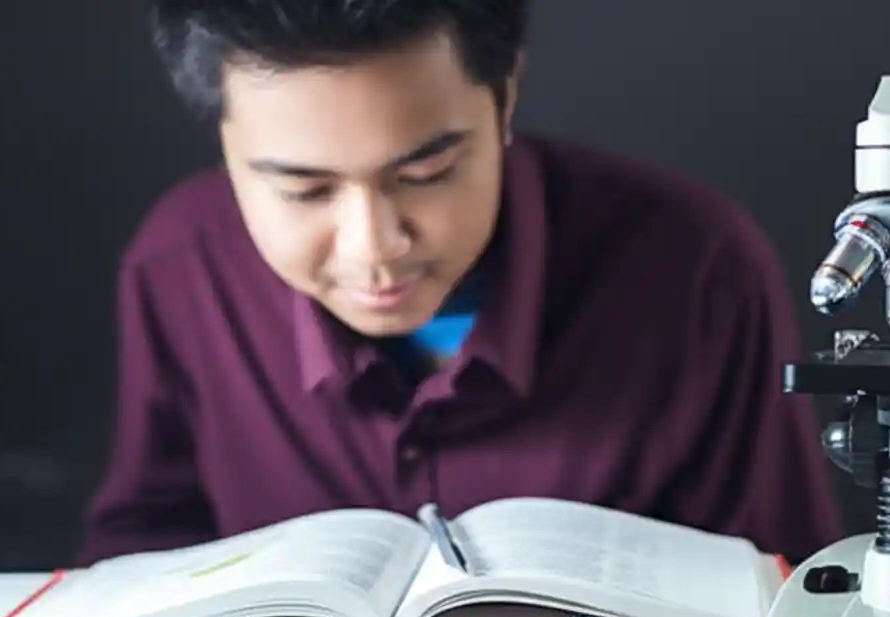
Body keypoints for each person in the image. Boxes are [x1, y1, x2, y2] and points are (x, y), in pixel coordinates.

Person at [77, 0, 842, 565]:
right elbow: (143, 550)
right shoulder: (180, 268)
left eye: (427, 173)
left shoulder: (698, 273)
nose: (374, 247)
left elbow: (784, 592)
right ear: (224, 142)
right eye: (304, 191)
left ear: (505, 96)